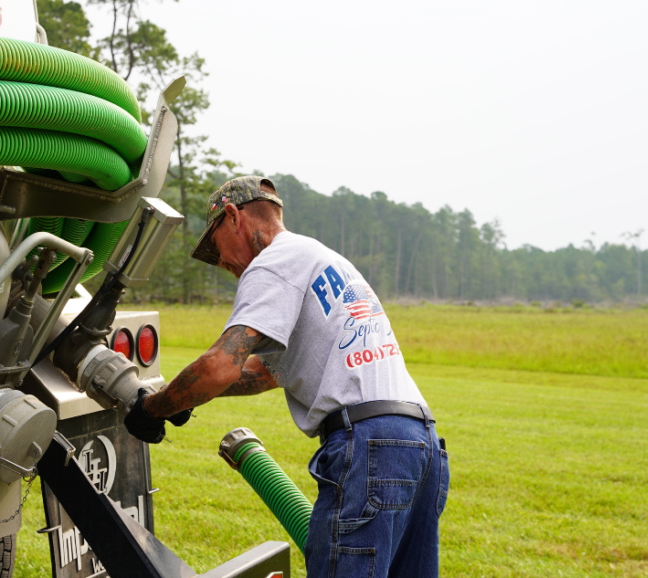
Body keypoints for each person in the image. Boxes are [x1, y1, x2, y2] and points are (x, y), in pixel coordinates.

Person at [124, 176, 449, 577]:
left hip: (371, 447)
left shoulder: (273, 262)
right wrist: (185, 395)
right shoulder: (320, 258)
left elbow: (220, 365)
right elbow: (265, 373)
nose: (221, 263)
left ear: (233, 217)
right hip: (420, 442)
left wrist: (153, 408)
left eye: (215, 247)